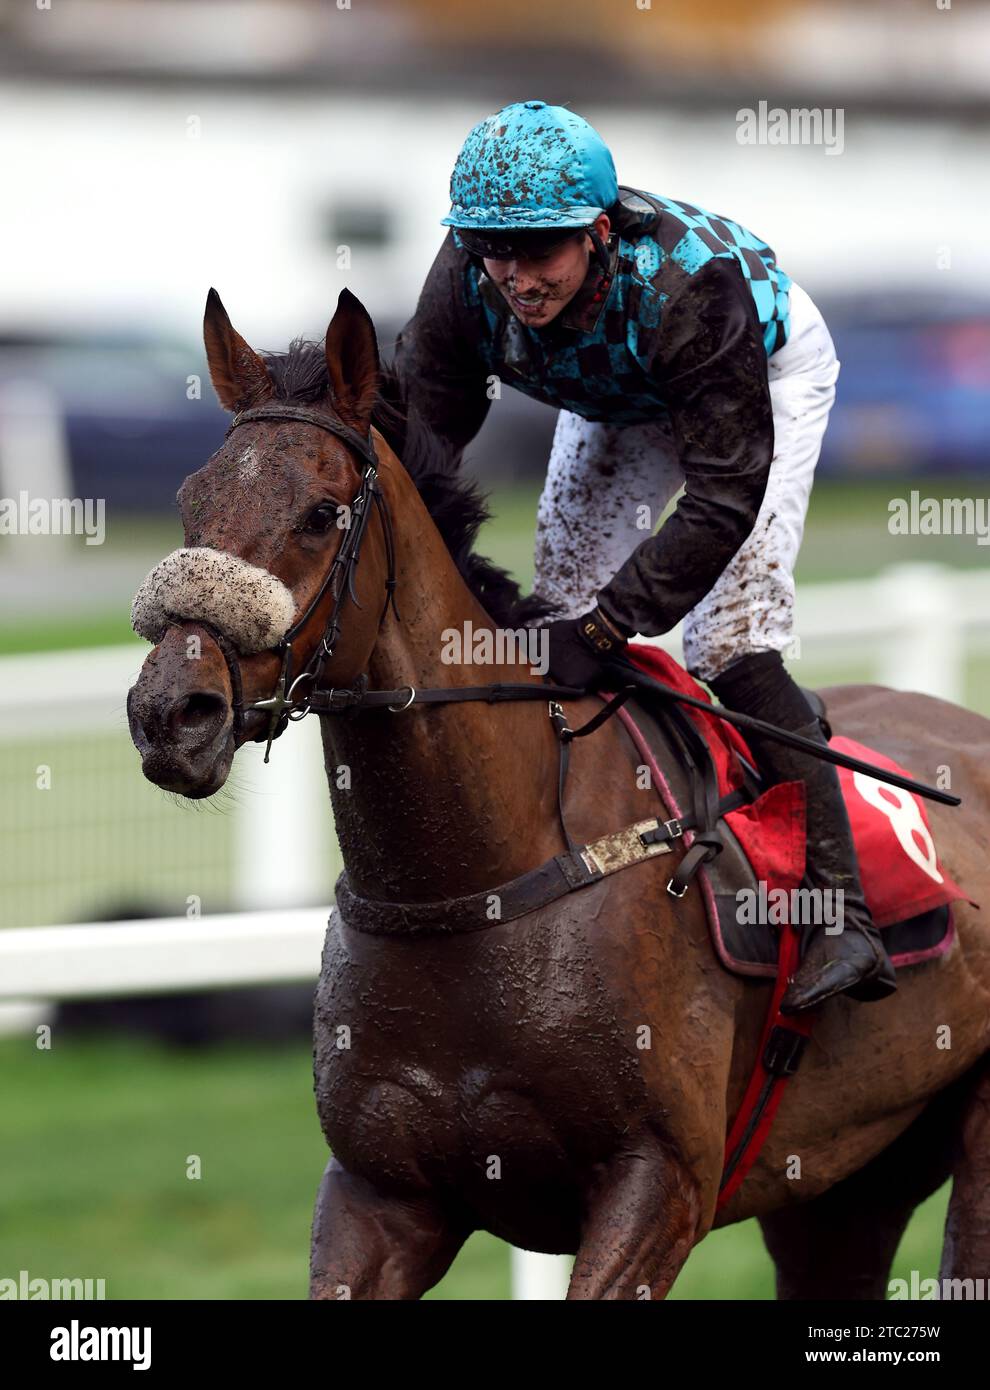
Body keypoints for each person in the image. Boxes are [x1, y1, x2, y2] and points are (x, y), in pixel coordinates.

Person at [394, 99, 895, 1013]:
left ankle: (844, 916)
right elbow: (426, 427)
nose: (514, 276)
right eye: (493, 250)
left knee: (728, 643)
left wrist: (616, 621)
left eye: (539, 250)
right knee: (555, 614)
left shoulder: (690, 290)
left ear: (595, 230)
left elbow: (722, 496)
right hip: (619, 396)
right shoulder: (469, 272)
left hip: (755, 381)